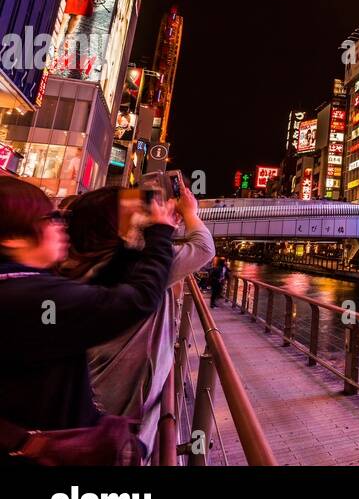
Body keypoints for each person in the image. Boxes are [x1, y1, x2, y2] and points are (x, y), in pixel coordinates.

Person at [0, 178, 176, 465]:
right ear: (12, 238)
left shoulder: (27, 285)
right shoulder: (36, 298)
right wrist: (161, 232)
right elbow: (138, 297)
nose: (61, 226)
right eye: (51, 218)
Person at [60, 182, 215, 461]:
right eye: (133, 212)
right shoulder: (137, 270)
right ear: (116, 228)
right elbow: (204, 248)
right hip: (122, 421)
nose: (144, 214)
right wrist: (190, 213)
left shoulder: (79, 266)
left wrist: (162, 230)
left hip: (92, 404)